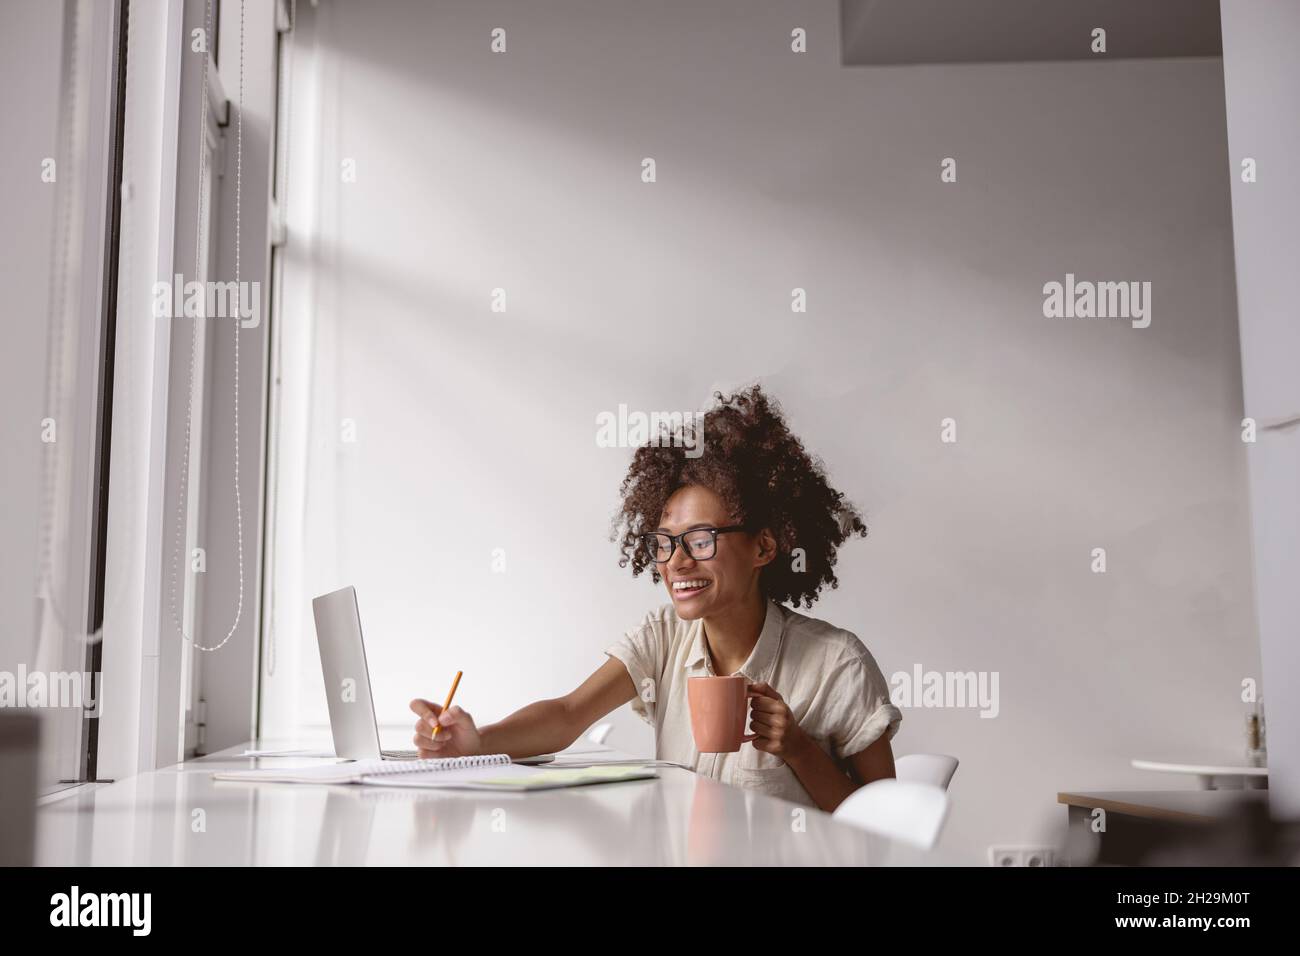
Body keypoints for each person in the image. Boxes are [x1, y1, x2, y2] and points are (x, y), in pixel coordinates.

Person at [409, 385, 901, 812]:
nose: (676, 562)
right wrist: (478, 743)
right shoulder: (665, 637)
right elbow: (567, 715)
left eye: (701, 540)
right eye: (665, 541)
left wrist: (799, 749)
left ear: (764, 547)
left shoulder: (837, 663)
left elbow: (886, 827)